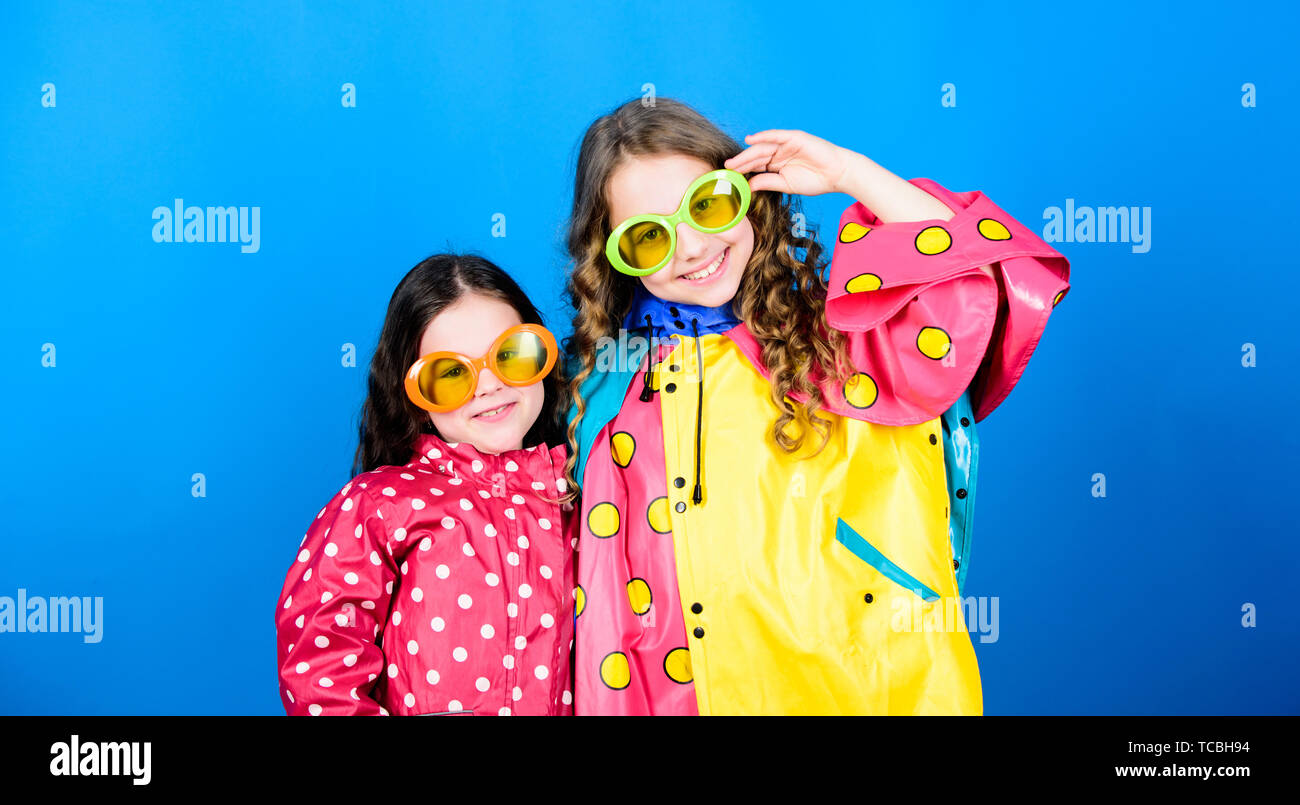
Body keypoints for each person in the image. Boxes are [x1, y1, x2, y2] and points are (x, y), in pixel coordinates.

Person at [561, 98, 1070, 714]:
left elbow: (971, 272)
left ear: (746, 193)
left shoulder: (838, 339)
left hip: (864, 681)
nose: (690, 247)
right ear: (611, 254)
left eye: (707, 205)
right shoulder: (606, 390)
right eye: (648, 236)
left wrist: (851, 174)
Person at [275, 253, 576, 715]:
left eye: (510, 354)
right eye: (451, 373)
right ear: (413, 395)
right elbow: (321, 662)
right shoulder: (379, 506)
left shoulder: (581, 502)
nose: (489, 384)